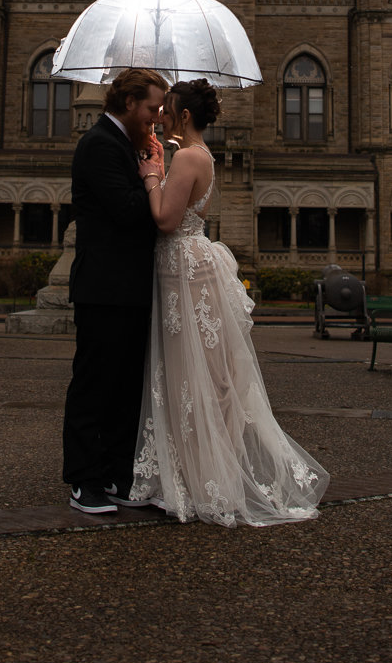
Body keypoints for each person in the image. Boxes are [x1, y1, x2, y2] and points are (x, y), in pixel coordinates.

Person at [129, 79, 328, 526]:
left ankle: (202, 478)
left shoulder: (187, 158)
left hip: (184, 270)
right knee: (199, 373)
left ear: (182, 116)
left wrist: (150, 176)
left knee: (189, 372)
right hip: (188, 268)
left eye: (168, 110)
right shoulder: (203, 156)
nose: (160, 116)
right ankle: (201, 471)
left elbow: (164, 219)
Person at [61, 66, 168, 515]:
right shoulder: (99, 146)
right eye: (151, 107)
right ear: (128, 103)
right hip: (104, 288)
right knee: (95, 384)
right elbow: (127, 211)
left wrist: (148, 164)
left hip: (131, 287)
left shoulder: (128, 145)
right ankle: (84, 480)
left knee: (126, 388)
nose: (157, 116)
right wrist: (153, 177)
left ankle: (118, 476)